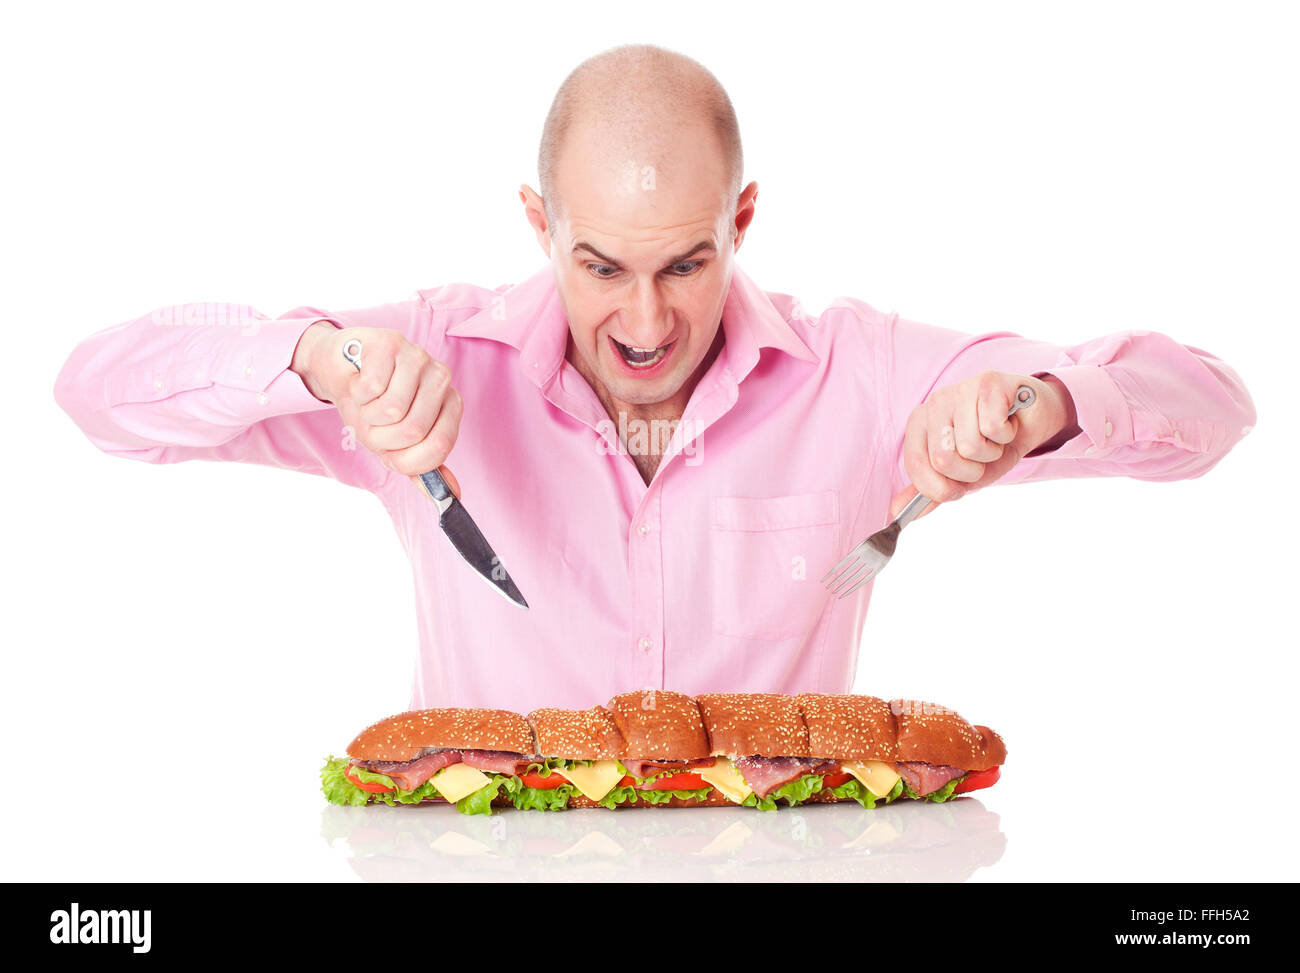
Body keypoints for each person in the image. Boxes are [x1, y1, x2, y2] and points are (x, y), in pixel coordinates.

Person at [54, 44, 1256, 714]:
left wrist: (1031, 402)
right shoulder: (424, 359)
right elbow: (99, 393)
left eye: (686, 261)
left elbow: (1209, 409)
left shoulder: (854, 369)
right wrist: (311, 356)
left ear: (742, 218)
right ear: (538, 222)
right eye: (599, 264)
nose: (644, 320)